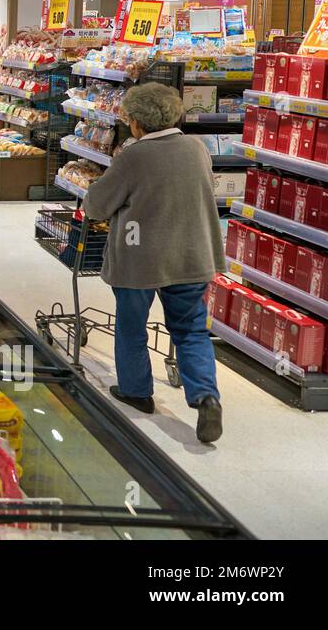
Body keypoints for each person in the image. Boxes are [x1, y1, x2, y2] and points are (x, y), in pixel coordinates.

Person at [82, 82, 224, 444]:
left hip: (139, 256)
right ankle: (206, 396)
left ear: (136, 123)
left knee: (132, 325)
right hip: (191, 254)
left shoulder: (133, 155)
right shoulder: (197, 148)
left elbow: (97, 205)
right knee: (191, 329)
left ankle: (136, 391)